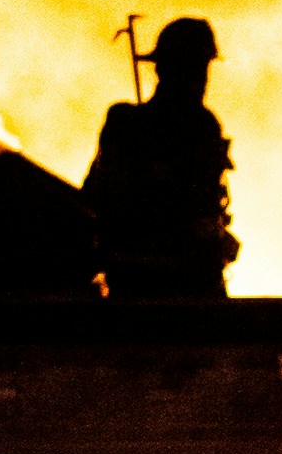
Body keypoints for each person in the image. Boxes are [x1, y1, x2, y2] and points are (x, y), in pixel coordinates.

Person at [84, 15, 237, 299]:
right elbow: (198, 212)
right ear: (167, 69)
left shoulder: (123, 123)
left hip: (130, 282)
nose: (200, 80)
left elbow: (91, 195)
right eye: (193, 68)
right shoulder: (200, 127)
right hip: (182, 285)